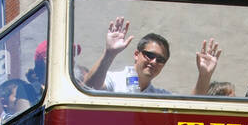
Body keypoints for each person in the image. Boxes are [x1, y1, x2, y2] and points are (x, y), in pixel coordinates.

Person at [84, 18, 221, 95]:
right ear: (136, 55)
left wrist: (204, 75)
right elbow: (90, 86)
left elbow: (189, 110)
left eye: (160, 60)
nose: (154, 62)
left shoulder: (158, 95)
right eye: (149, 55)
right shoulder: (114, 80)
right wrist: (109, 53)